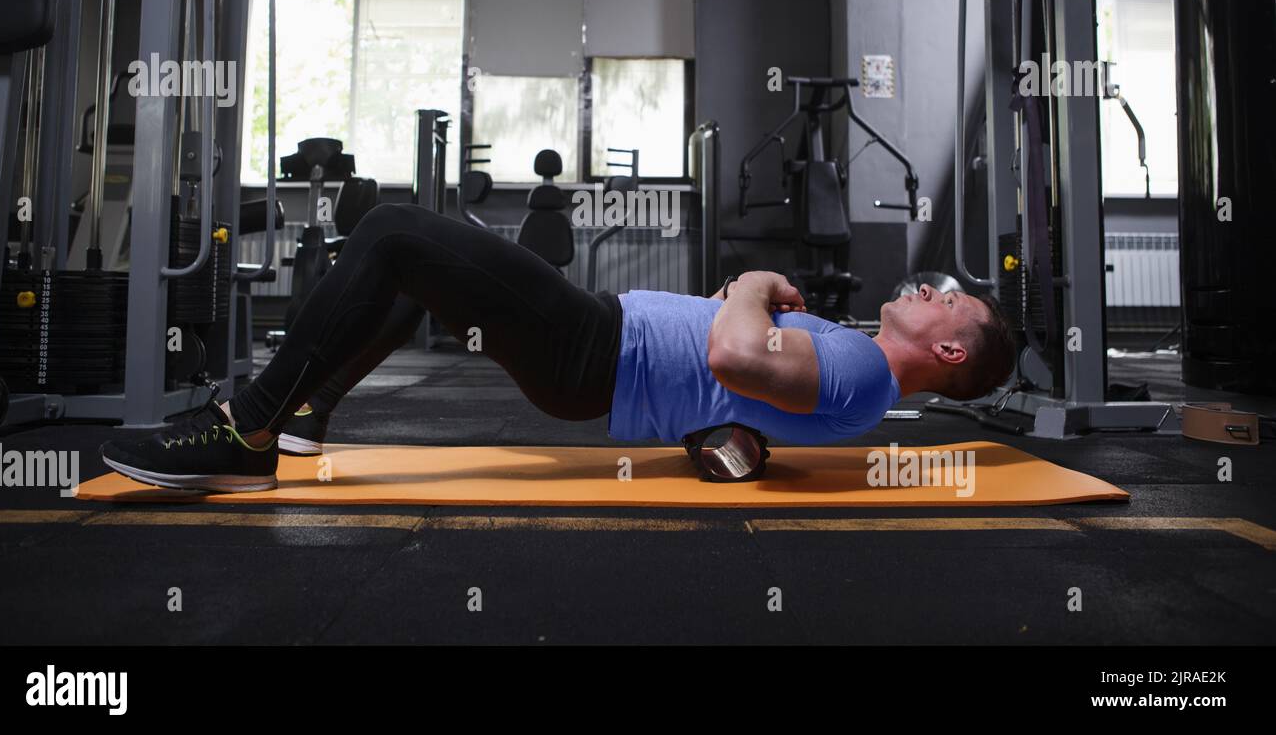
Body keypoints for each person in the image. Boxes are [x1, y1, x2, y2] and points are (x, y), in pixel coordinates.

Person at [100, 203, 1016, 492]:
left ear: (946, 354)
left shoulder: (859, 371)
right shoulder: (855, 374)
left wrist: (751, 282)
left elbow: (735, 361)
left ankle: (249, 429)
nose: (932, 289)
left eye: (950, 303)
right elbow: (740, 385)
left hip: (596, 350)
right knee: (418, 269)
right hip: (600, 350)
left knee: (390, 233)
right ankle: (305, 417)